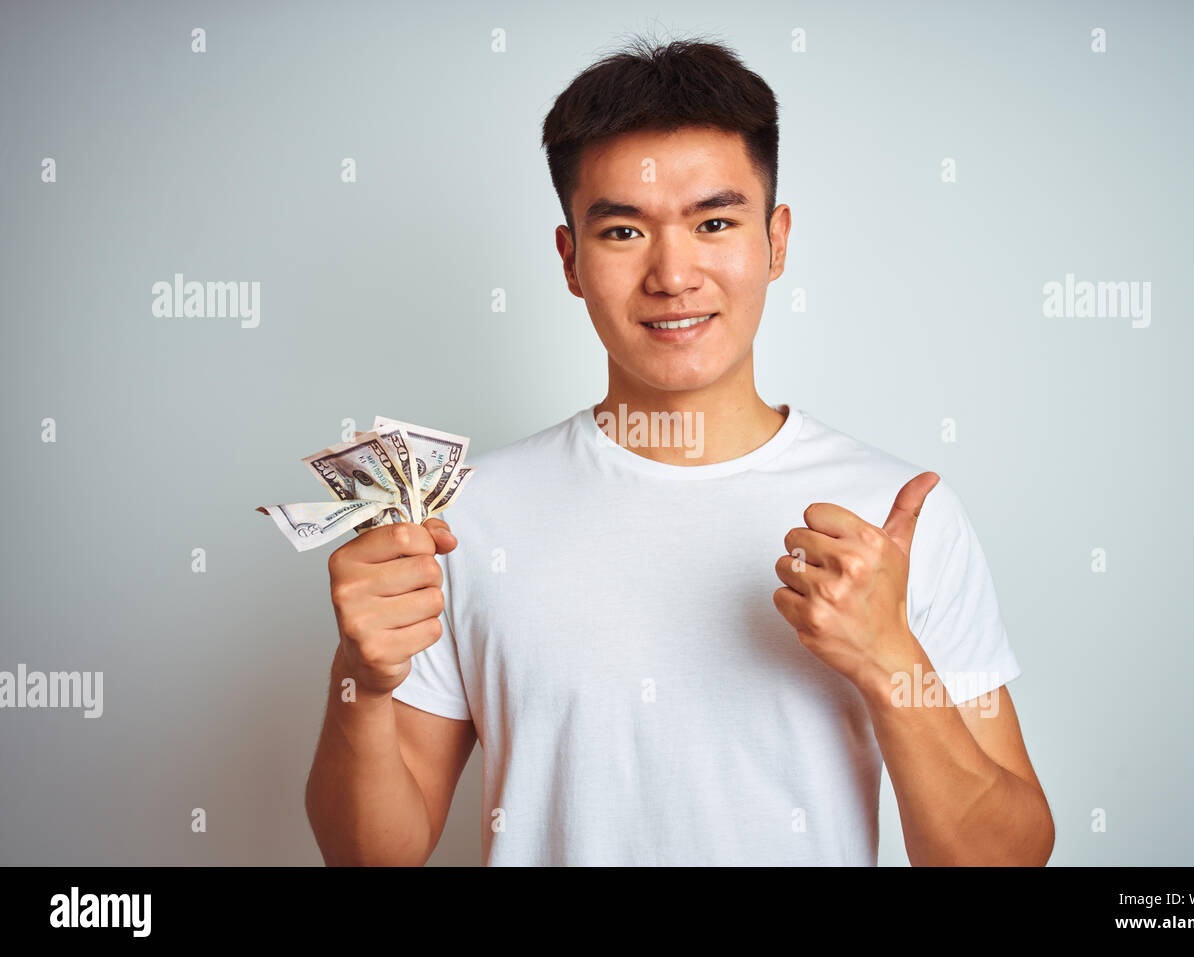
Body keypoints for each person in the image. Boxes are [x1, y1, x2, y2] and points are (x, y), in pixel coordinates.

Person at [305, 36, 1054, 867]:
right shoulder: (464, 520)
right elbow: (370, 856)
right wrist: (360, 685)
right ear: (571, 261)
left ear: (776, 242)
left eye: (716, 222)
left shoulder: (899, 520)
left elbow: (1007, 858)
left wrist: (891, 661)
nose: (673, 273)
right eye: (624, 230)